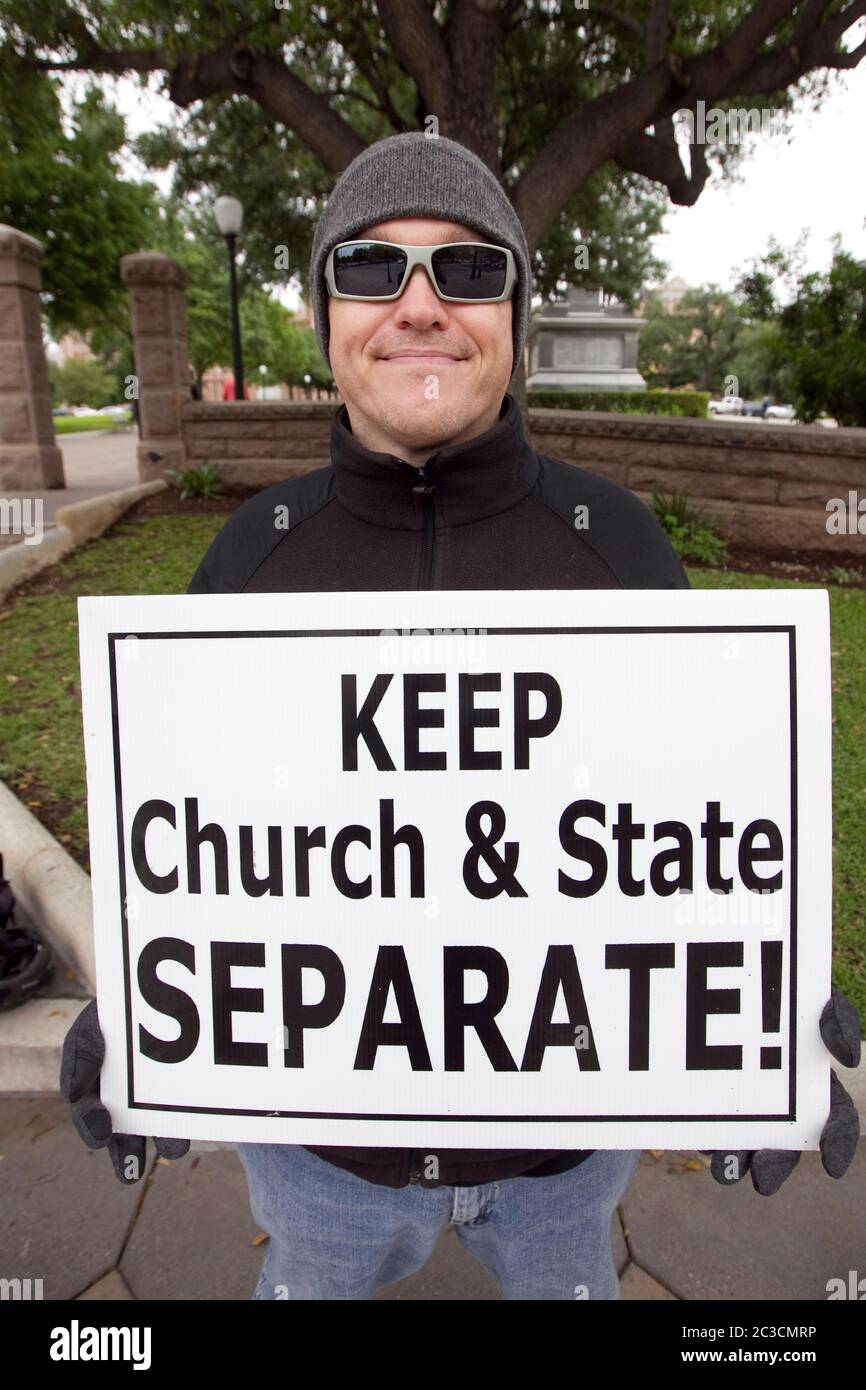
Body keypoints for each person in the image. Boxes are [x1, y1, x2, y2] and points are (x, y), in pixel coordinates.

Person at [60, 132, 862, 1301]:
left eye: (469, 271)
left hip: (560, 1161)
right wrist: (141, 999)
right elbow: (207, 841)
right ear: (328, 316)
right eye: (373, 270)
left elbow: (684, 834)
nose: (421, 305)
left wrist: (752, 1012)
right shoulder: (247, 560)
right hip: (321, 1159)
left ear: (514, 318)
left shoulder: (620, 550)